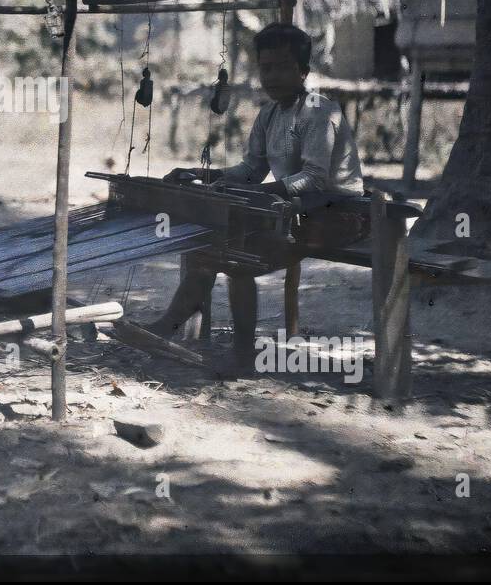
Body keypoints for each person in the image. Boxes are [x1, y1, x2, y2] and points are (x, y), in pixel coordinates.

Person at [151, 22, 365, 366]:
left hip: (342, 214)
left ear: (303, 71)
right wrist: (204, 175)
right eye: (266, 67)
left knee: (239, 260)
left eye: (283, 67)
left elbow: (314, 179)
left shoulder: (320, 110)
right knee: (207, 250)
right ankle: (168, 328)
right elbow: (251, 169)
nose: (272, 76)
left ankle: (239, 353)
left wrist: (261, 193)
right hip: (295, 209)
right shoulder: (269, 114)